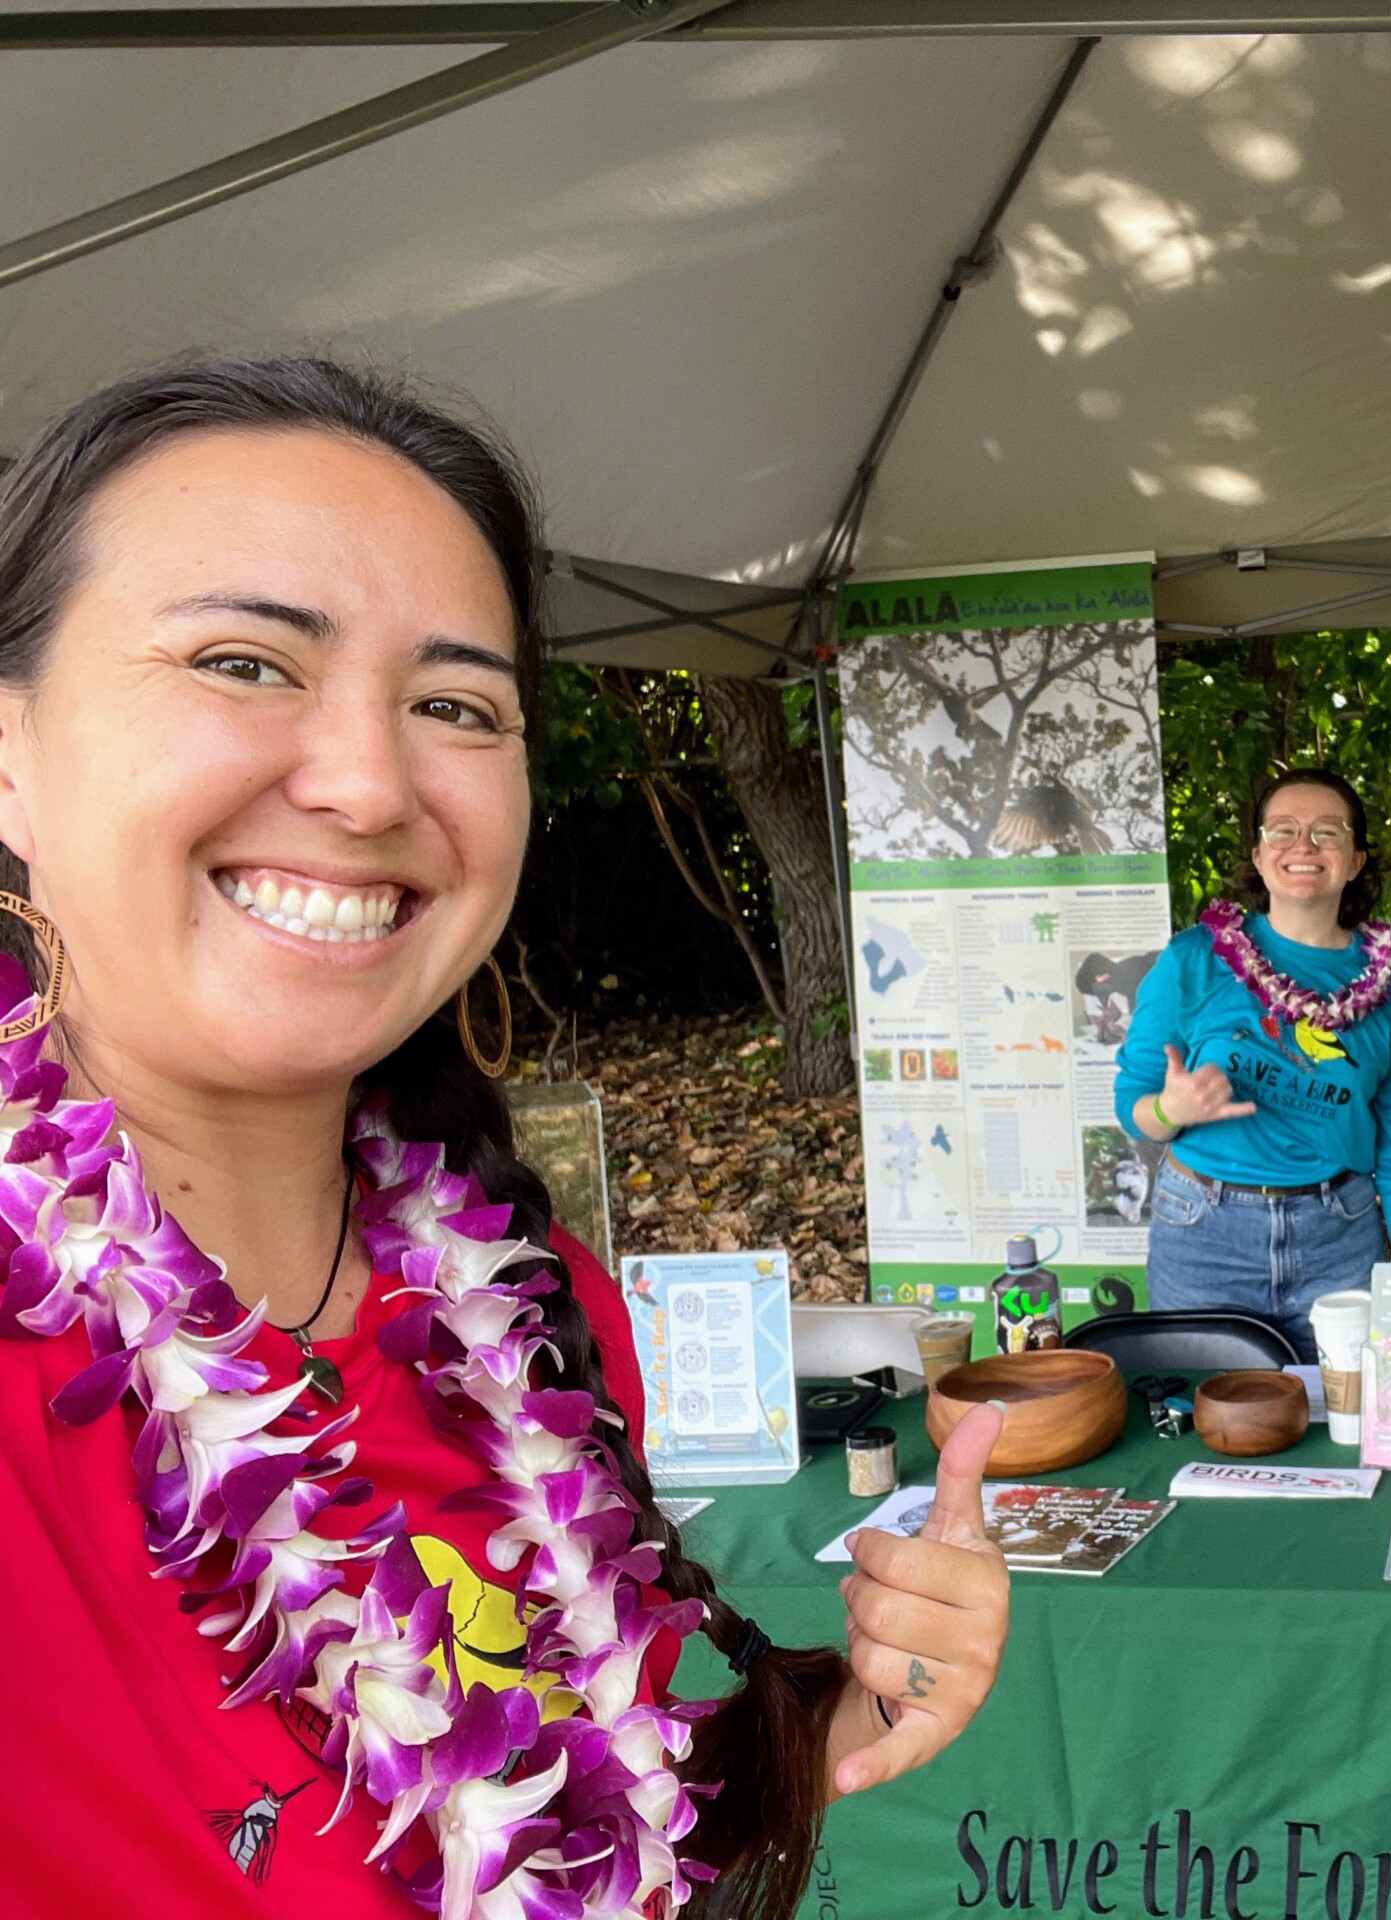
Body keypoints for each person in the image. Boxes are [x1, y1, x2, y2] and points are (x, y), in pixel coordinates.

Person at [0, 358, 1010, 1919]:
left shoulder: (533, 1311)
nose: (366, 782)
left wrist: (821, 1728)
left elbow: (542, 1823)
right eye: (246, 661)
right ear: (10, 747)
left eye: (454, 704)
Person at [1115, 769, 1391, 1358]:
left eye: (1327, 832)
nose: (1304, 846)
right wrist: (1171, 1109)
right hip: (1202, 1235)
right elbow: (1134, 1107)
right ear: (1260, 857)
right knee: (1202, 1417)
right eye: (1284, 830)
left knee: (1349, 1423)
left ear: (1357, 859)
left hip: (1339, 1237)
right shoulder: (1195, 960)